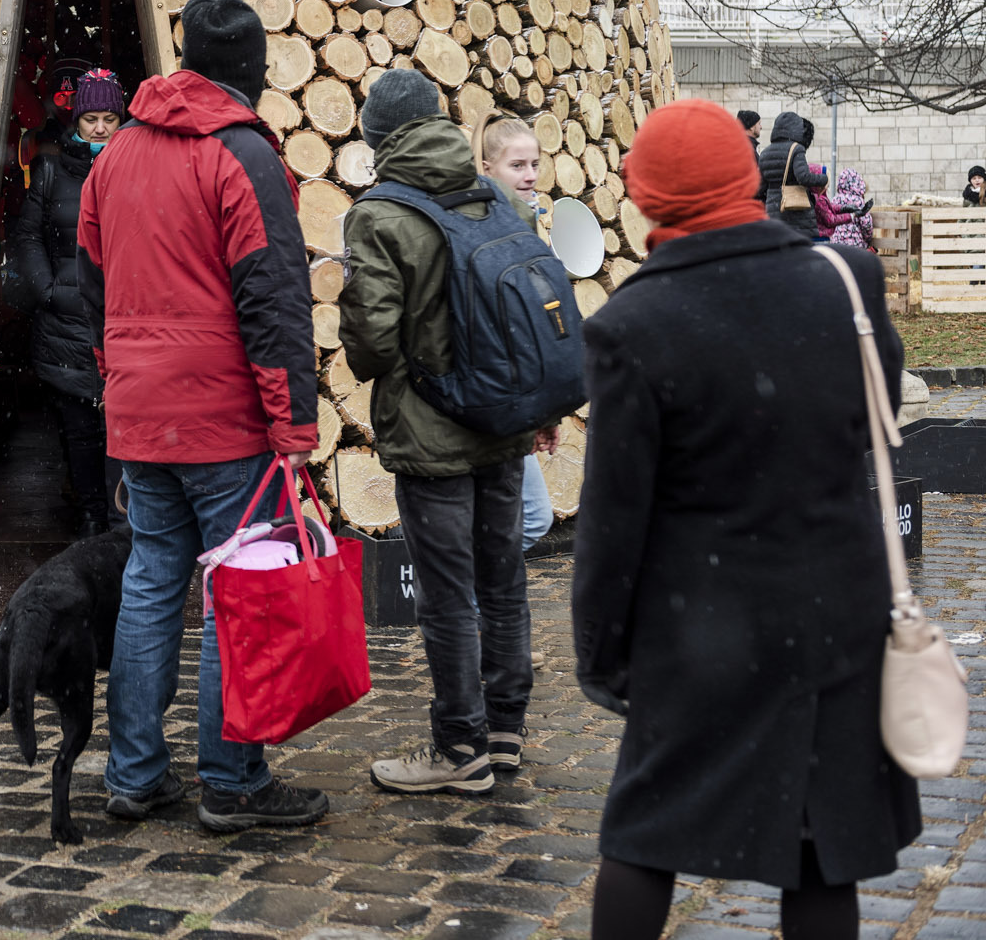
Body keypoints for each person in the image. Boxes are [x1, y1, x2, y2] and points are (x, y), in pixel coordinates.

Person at [574, 100, 920, 940]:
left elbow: (614, 519)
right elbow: (875, 423)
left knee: (645, 832)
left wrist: (604, 654)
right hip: (837, 609)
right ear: (745, 173)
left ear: (647, 194)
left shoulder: (630, 324)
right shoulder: (848, 280)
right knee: (820, 845)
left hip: (700, 627)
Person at [78, 0, 327, 833]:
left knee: (152, 580)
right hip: (222, 416)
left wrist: (121, 373)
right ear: (250, 70)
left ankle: (135, 771)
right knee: (237, 585)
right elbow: (276, 301)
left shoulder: (115, 156)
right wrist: (293, 427)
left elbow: (91, 281)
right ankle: (233, 776)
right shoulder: (244, 154)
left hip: (140, 413)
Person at [340, 69, 549, 797]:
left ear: (378, 138)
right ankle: (504, 730)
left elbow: (369, 342)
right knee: (503, 577)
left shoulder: (378, 215)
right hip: (500, 422)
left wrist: (409, 362)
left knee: (446, 594)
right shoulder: (495, 194)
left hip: (431, 434)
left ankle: (459, 745)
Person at [9, 67, 127, 539]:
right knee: (80, 434)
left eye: (109, 119)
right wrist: (48, 290)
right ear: (76, 120)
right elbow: (28, 234)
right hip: (65, 323)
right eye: (91, 118)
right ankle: (91, 518)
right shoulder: (51, 169)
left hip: (119, 323)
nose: (99, 128)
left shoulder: (135, 167)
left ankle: (122, 525)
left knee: (122, 435)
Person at [471, 114, 555, 554]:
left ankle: (460, 608)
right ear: (487, 168)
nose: (530, 175)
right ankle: (459, 608)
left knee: (521, 520)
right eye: (518, 166)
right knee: (529, 518)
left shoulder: (523, 221)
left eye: (535, 164)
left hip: (514, 400)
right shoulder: (491, 229)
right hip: (500, 401)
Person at [758, 111, 825, 240]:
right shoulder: (796, 149)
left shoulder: (764, 153)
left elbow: (760, 187)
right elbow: (803, 177)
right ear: (795, 129)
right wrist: (823, 179)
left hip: (773, 211)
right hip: (796, 211)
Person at [816, 166, 874, 249]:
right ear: (858, 183)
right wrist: (867, 239)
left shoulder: (835, 200)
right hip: (855, 246)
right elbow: (866, 225)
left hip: (836, 245)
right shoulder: (858, 201)